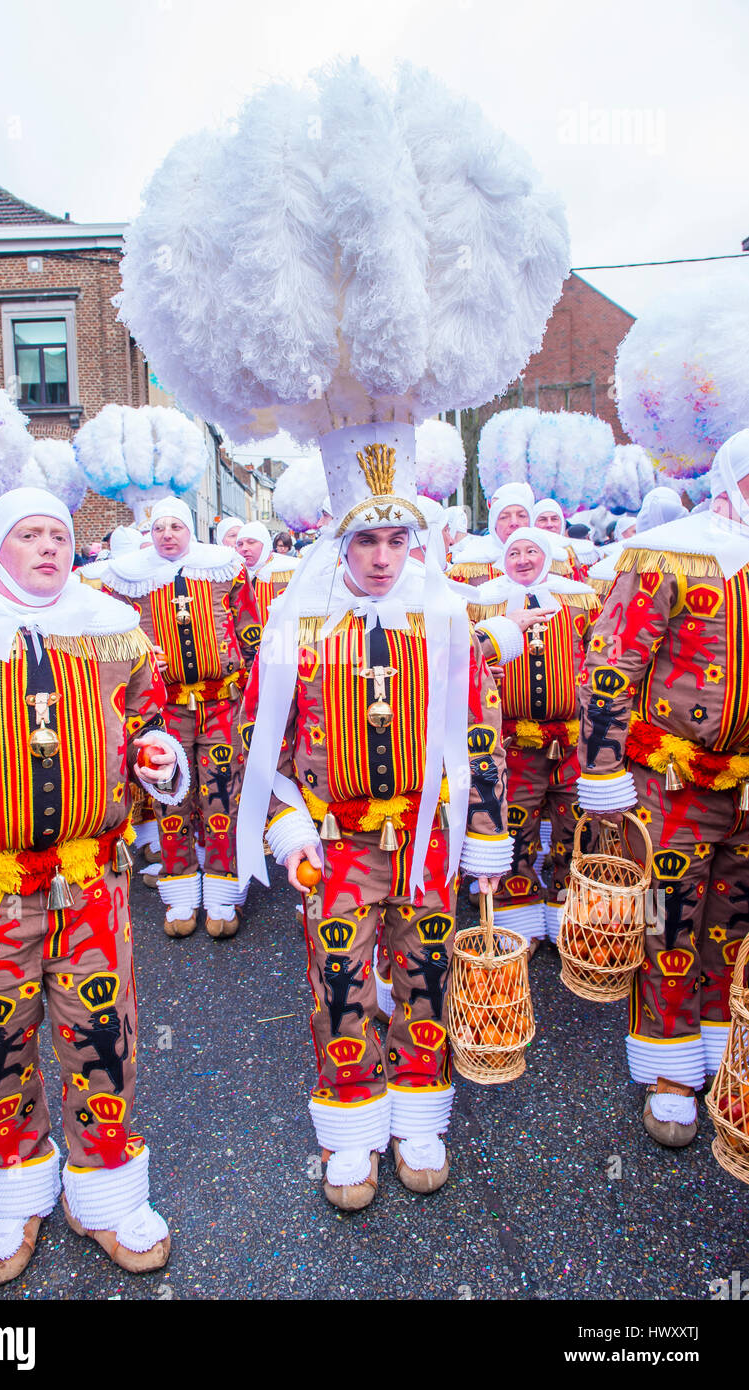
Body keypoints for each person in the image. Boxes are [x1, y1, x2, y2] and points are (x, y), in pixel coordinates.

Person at [0, 487, 181, 1283]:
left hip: (90, 882)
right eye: (28, 535)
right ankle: (13, 1195)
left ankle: (106, 1193)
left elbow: (148, 719)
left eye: (57, 533)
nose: (48, 547)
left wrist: (157, 756)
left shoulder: (112, 628)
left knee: (102, 1036)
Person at [237, 425, 514, 1209]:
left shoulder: (447, 623)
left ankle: (420, 1112)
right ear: (341, 546)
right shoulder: (297, 629)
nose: (383, 558)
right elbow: (257, 744)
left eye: (397, 540)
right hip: (334, 842)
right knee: (337, 980)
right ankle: (351, 1124)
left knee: (426, 971)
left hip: (425, 840)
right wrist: (286, 829)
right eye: (367, 541)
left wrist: (487, 833)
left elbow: (479, 734)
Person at [577, 430, 749, 1148]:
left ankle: (721, 1052)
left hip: (744, 787)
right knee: (667, 918)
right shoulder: (672, 552)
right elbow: (610, 661)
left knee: (734, 925)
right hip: (671, 777)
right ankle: (670, 1067)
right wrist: (603, 766)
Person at [104, 497, 262, 938]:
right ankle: (180, 893)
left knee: (221, 792)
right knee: (169, 794)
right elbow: (110, 637)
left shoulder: (225, 569)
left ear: (190, 529)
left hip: (222, 702)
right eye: (159, 528)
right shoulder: (125, 580)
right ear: (149, 533)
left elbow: (251, 631)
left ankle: (223, 894)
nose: (168, 534)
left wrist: (257, 692)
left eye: (176, 526)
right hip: (164, 706)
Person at [468, 528, 596, 952]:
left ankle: (568, 915)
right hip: (516, 741)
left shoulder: (578, 599)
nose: (523, 559)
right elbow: (469, 664)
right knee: (516, 827)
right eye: (515, 552)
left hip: (571, 740)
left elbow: (597, 653)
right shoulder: (483, 603)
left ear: (547, 556)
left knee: (574, 827)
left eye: (531, 551)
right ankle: (519, 922)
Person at [447, 481, 533, 586]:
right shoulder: (471, 562)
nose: (514, 523)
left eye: (521, 515)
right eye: (504, 517)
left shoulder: (550, 558)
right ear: (493, 523)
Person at [236, 520, 299, 625]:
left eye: (251, 542)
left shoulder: (289, 571)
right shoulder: (234, 574)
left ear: (265, 544)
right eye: (240, 544)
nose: (244, 548)